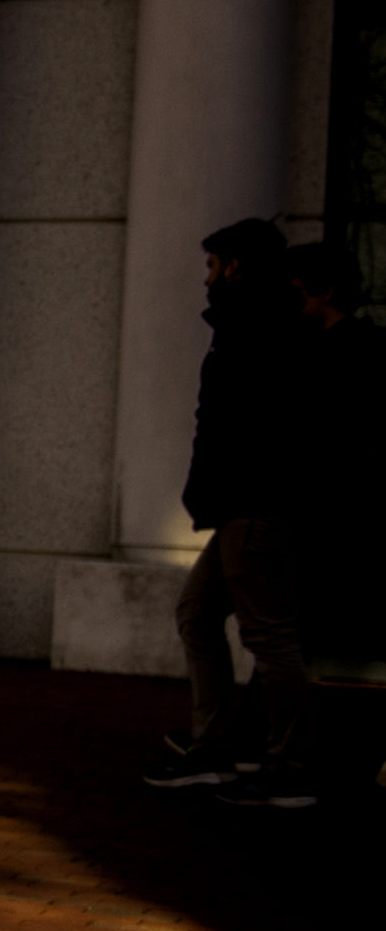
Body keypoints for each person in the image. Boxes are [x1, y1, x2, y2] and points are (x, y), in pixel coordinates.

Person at [142, 217, 312, 805]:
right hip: (244, 503)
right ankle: (214, 748)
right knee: (196, 612)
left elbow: (245, 426)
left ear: (236, 266)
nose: (207, 277)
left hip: (257, 503)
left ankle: (291, 767)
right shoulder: (251, 323)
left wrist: (223, 488)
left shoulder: (261, 326)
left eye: (213, 265)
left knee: (270, 636)